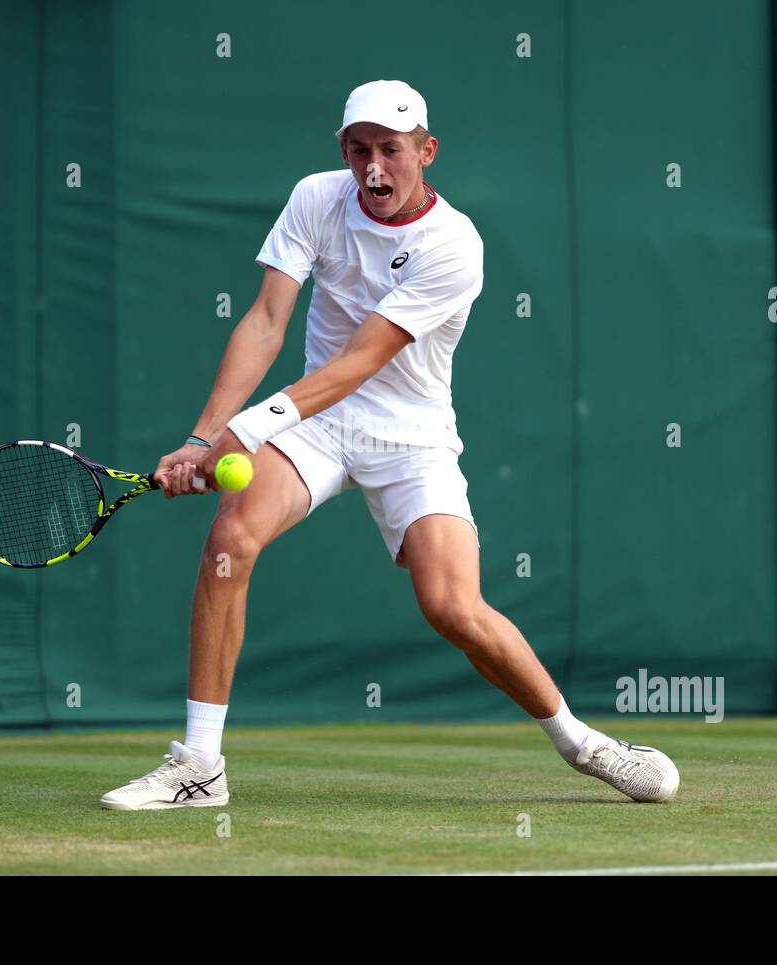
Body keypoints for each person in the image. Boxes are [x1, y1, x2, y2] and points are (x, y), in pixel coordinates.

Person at [99, 80, 679, 810]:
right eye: (359, 149)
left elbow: (359, 362)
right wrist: (201, 436)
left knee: (453, 607)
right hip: (317, 425)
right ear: (342, 151)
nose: (374, 166)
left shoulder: (454, 244)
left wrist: (243, 430)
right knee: (231, 537)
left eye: (391, 150)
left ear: (426, 152)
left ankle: (581, 742)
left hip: (412, 437)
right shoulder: (316, 198)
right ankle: (200, 766)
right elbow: (266, 321)